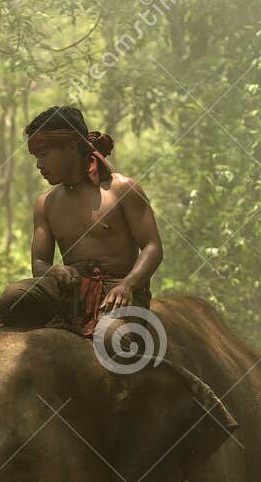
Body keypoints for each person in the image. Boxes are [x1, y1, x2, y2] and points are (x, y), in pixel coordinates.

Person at [25, 106, 163, 334]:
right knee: (14, 296)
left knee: (110, 337)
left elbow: (153, 246)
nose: (39, 165)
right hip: (70, 291)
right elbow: (39, 262)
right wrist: (53, 271)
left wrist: (128, 285)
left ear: (70, 147)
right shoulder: (45, 203)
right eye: (36, 157)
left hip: (118, 291)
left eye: (43, 154)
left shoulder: (122, 189)